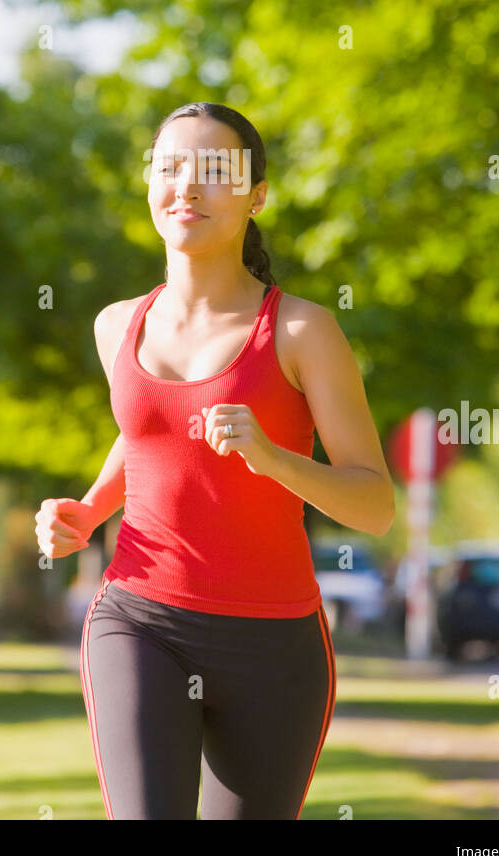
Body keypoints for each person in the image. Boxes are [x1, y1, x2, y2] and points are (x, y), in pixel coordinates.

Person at [35, 101, 394, 819]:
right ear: (148, 186)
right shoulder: (117, 326)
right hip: (139, 619)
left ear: (257, 195)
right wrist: (88, 508)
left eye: (214, 171)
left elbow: (376, 506)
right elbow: (146, 435)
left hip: (275, 643)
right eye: (169, 169)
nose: (187, 187)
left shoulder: (300, 330)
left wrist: (272, 457)